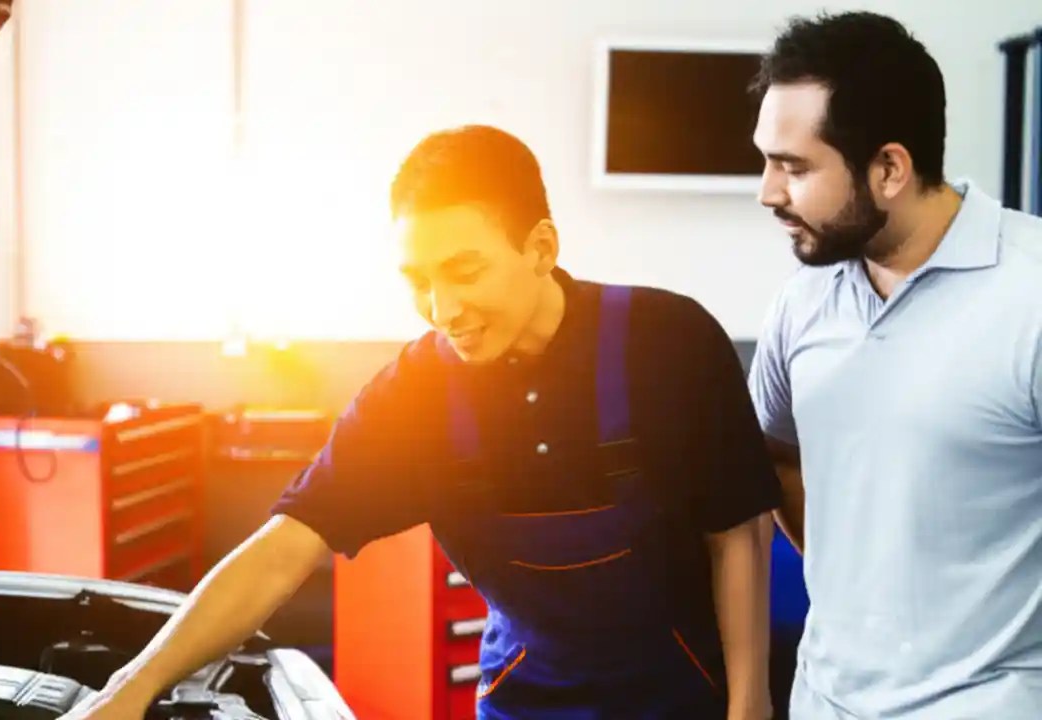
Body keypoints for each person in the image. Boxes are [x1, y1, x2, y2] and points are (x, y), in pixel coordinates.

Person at [66, 125, 781, 719]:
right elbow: (285, 547)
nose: (442, 310)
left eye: (465, 270)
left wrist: (750, 711)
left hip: (683, 697)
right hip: (527, 701)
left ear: (540, 248)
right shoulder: (417, 394)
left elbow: (737, 538)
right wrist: (128, 691)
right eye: (417, 280)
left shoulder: (668, 341)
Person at [747, 10, 1042, 719]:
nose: (767, 191)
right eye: (765, 159)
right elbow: (774, 455)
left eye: (794, 167)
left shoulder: (1030, 291)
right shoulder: (803, 300)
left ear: (889, 168)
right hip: (823, 698)